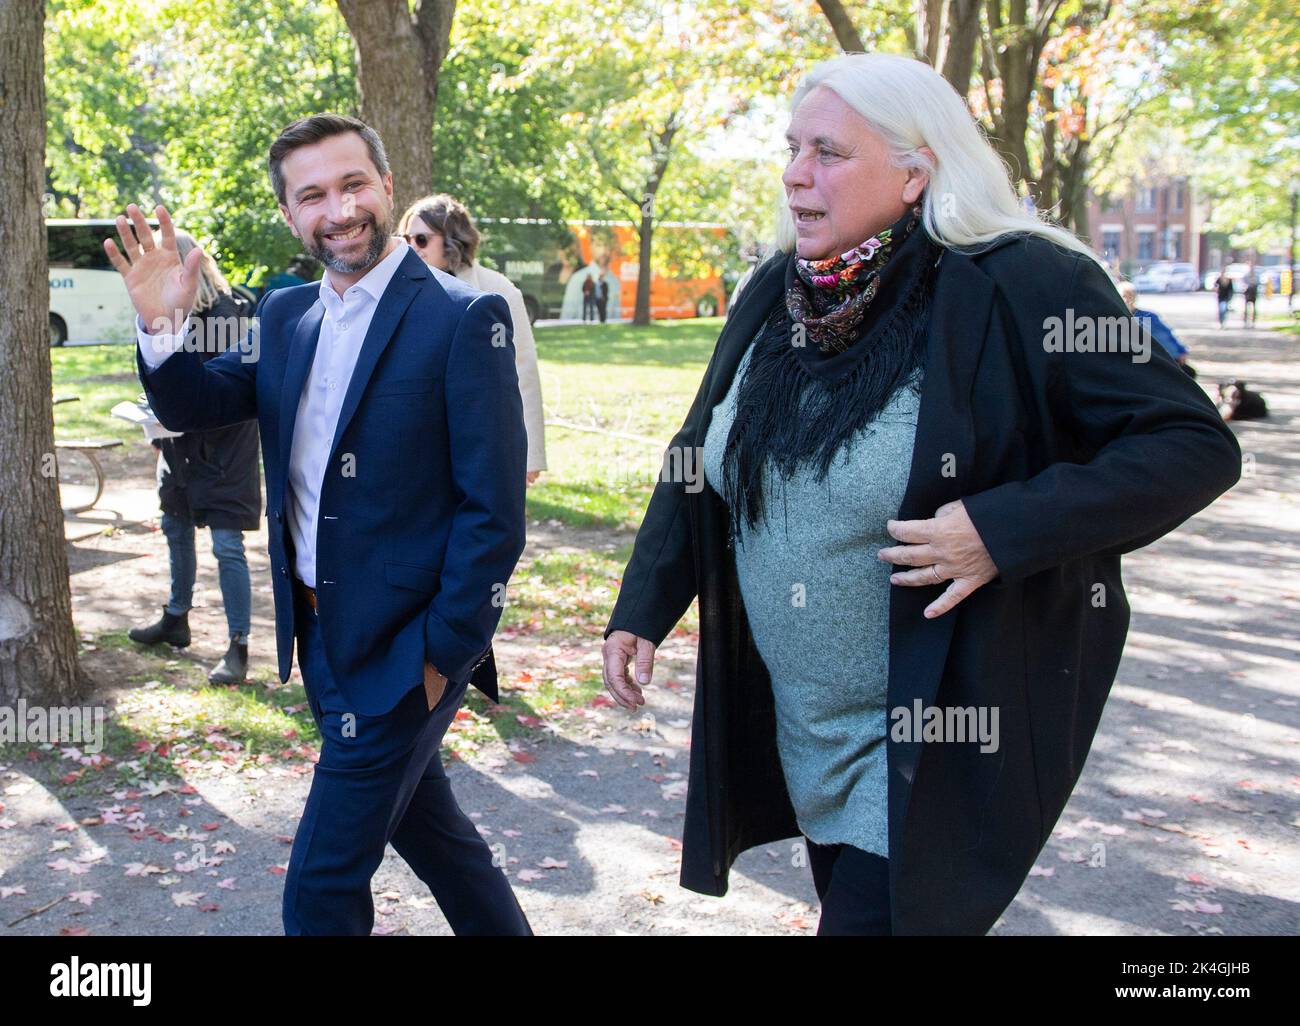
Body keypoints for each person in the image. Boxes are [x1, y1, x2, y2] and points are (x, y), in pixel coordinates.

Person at [600, 53, 1241, 936]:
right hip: (808, 728)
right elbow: (699, 453)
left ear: (916, 170)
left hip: (937, 730)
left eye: (827, 151)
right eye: (792, 147)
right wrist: (644, 603)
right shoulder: (774, 289)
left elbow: (1191, 445)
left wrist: (998, 528)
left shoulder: (1021, 282)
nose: (794, 172)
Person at [106, 114, 533, 936]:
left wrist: (444, 654)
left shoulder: (460, 318)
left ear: (386, 187)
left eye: (352, 185)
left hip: (409, 654)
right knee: (433, 833)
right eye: (312, 196)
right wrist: (163, 325)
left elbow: (494, 513)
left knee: (319, 888)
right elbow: (196, 403)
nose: (337, 210)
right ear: (291, 215)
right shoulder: (284, 313)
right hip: (319, 635)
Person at [128, 233, 261, 684]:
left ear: (190, 265)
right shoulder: (168, 313)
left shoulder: (227, 314)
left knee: (227, 546)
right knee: (175, 527)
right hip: (179, 451)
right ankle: (176, 616)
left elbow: (229, 392)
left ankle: (238, 645)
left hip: (225, 455)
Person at [397, 194, 547, 484]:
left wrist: (530, 456)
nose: (413, 247)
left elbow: (522, 371)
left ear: (452, 238)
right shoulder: (399, 292)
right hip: (418, 442)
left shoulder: (497, 290)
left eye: (422, 239)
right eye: (406, 239)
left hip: (482, 436)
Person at [1119, 281, 1196, 378]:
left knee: (1189, 373)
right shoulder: (1114, 319)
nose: (1127, 299)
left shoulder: (1149, 316)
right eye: (1123, 296)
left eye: (1130, 295)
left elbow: (1166, 334)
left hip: (1156, 360)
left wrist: (1180, 352)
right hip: (1133, 364)